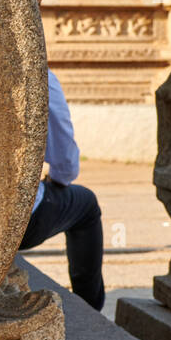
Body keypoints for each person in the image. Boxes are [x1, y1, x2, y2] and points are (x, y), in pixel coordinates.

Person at [18, 68, 106, 310]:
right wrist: (58, 179)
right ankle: (90, 308)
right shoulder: (35, 71)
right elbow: (64, 155)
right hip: (19, 222)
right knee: (87, 205)